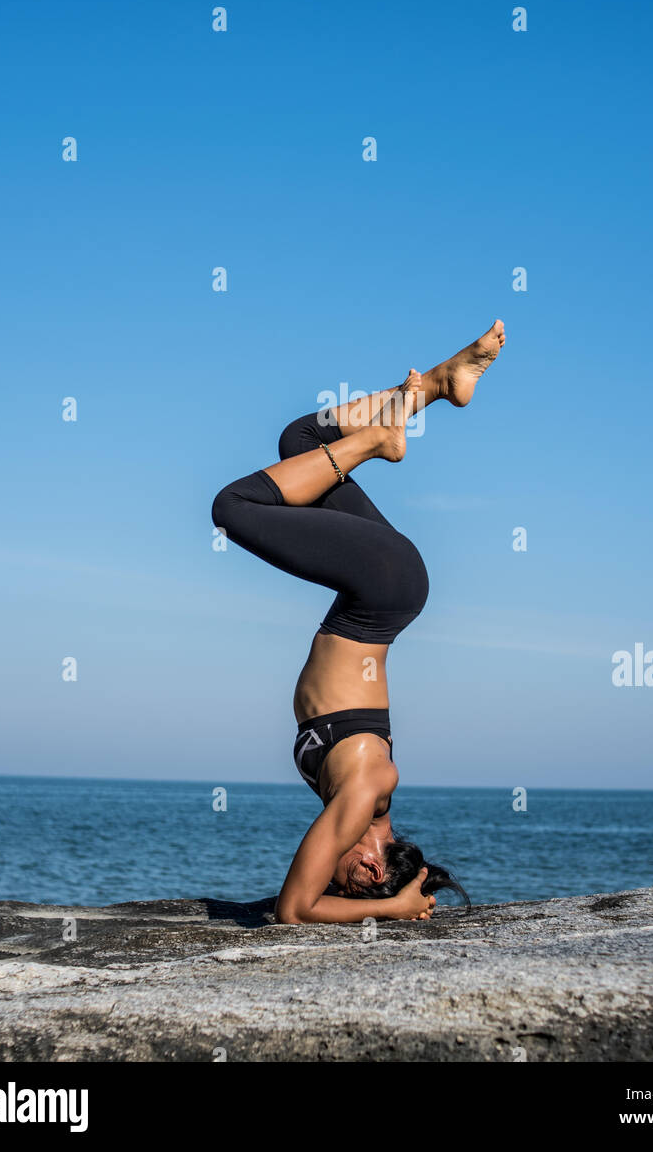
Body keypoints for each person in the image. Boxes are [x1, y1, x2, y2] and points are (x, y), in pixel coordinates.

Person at [211, 321, 505, 923]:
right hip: (380, 587)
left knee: (300, 440)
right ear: (370, 867)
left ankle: (441, 383)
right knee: (233, 508)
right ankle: (378, 440)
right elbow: (295, 910)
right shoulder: (363, 793)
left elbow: (299, 897)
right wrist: (395, 906)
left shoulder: (364, 796)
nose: (329, 872)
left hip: (385, 584)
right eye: (345, 881)